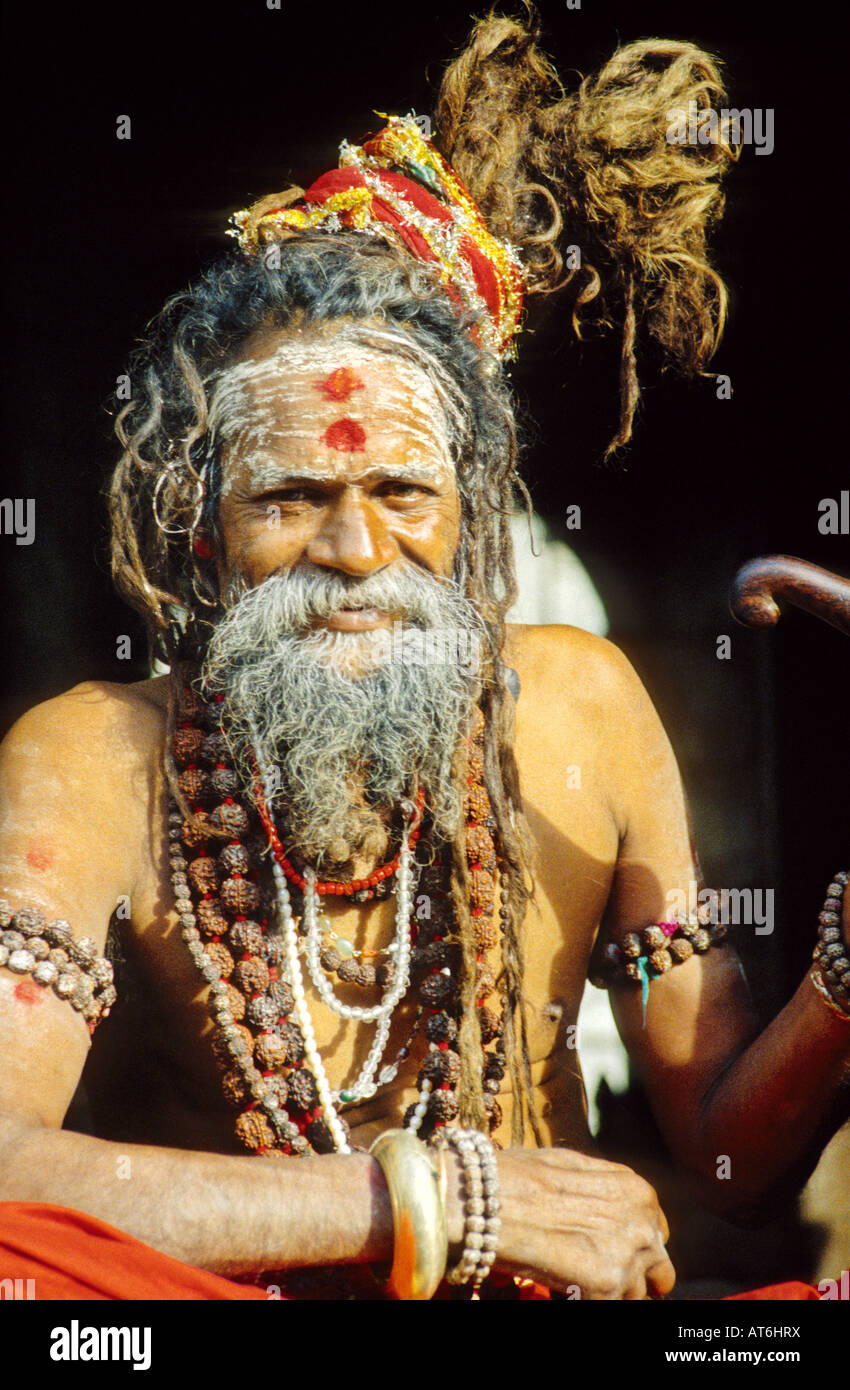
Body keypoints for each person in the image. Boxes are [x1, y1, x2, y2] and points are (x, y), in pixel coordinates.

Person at [0, 13, 847, 1302]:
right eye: (288, 498)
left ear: (475, 514)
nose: (356, 548)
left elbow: (735, 1166)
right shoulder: (92, 756)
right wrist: (434, 1201)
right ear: (201, 526)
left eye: (404, 489)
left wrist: (846, 978)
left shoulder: (580, 708)